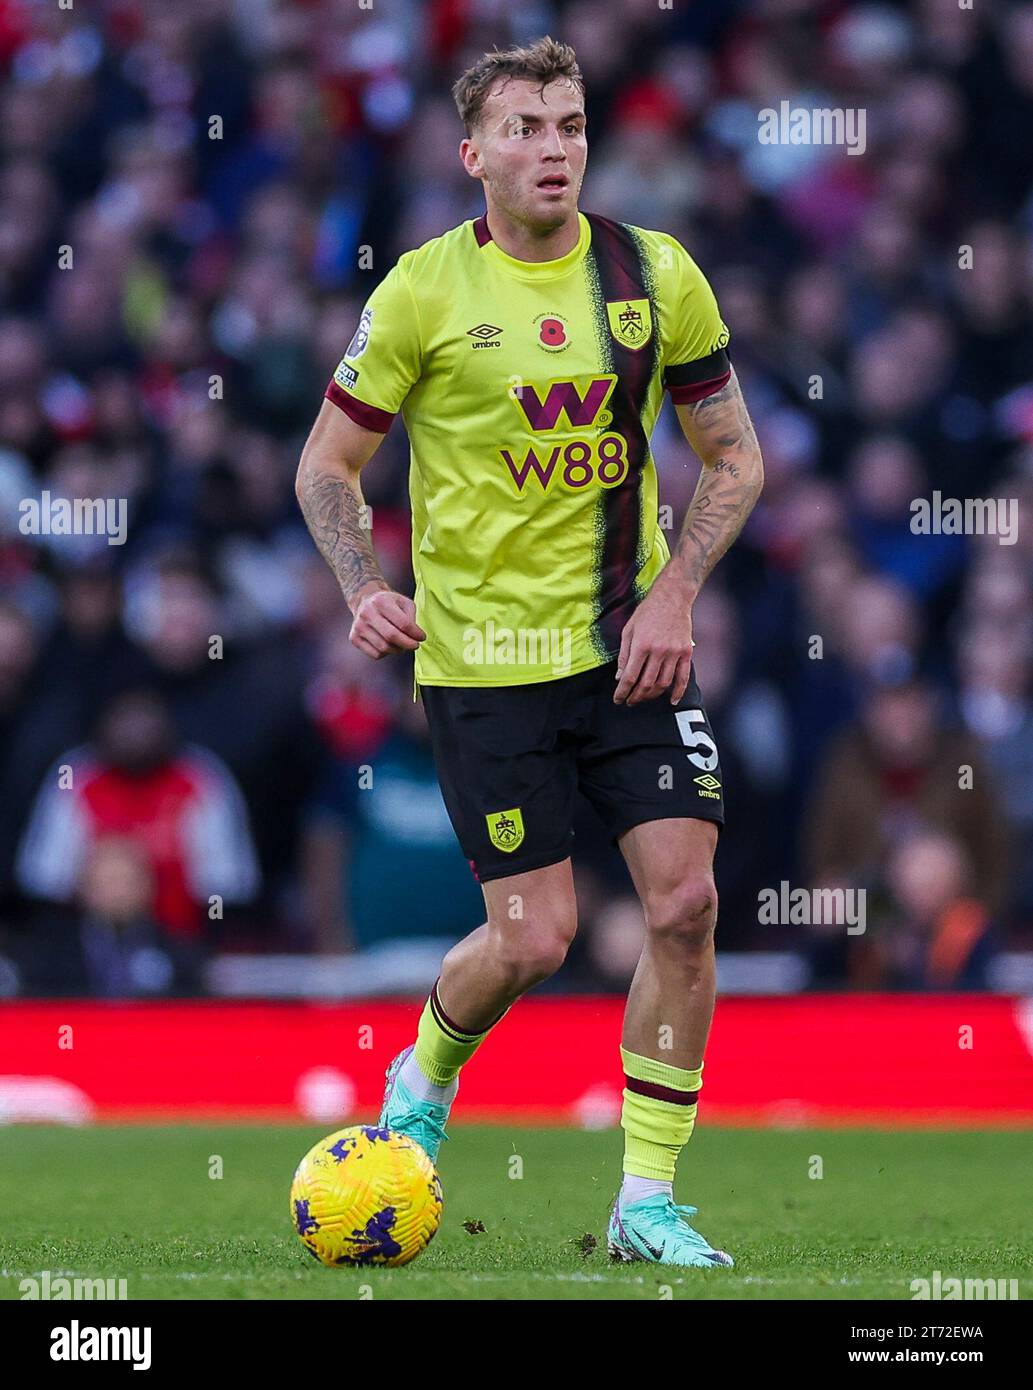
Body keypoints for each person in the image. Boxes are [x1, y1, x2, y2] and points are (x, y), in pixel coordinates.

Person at [295, 37, 763, 1268]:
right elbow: (326, 468)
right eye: (524, 129)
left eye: (568, 125)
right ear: (473, 156)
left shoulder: (653, 273)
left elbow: (733, 455)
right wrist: (361, 584)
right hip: (483, 665)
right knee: (535, 938)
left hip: (632, 645)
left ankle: (646, 1203)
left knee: (684, 904)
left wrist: (677, 599)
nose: (552, 148)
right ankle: (425, 1071)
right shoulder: (420, 293)